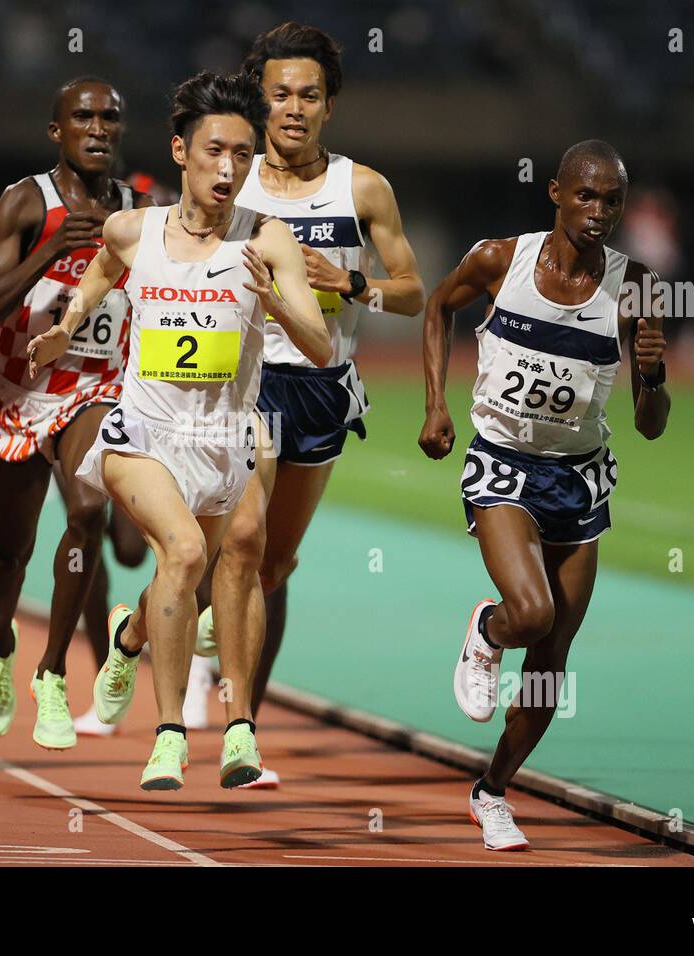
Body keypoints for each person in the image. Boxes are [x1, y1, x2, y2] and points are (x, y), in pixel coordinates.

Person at [28, 70, 331, 790]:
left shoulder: (269, 241)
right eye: (215, 151)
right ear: (180, 152)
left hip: (225, 438)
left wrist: (278, 305)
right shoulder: (135, 230)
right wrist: (66, 328)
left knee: (223, 567)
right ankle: (169, 735)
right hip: (144, 432)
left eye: (243, 155)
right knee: (187, 551)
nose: (229, 169)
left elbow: (321, 347)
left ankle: (138, 644)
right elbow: (102, 269)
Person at [418, 140, 670, 849]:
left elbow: (651, 426)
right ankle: (488, 630)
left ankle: (491, 792)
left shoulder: (637, 285)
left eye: (613, 200)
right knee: (530, 613)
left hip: (580, 476)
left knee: (552, 659)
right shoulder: (503, 260)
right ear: (555, 193)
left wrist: (651, 377)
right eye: (586, 196)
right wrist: (436, 404)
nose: (599, 212)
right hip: (503, 463)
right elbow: (437, 307)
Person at [195, 21, 426, 788]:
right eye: (280, 94)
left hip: (325, 388)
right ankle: (238, 725)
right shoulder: (233, 181)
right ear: (260, 102)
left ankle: (194, 629)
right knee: (246, 544)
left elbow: (413, 292)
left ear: (330, 105)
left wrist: (350, 283)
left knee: (276, 563)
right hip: (246, 383)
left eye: (309, 95)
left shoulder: (362, 188)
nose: (294, 109)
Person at [0, 77, 151, 751]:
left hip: (95, 392)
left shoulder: (140, 213)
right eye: (83, 118)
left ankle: (51, 674)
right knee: (9, 552)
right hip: (17, 396)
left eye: (110, 118)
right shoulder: (24, 203)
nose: (98, 128)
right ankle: (1, 645)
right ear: (57, 132)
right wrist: (50, 252)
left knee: (87, 511)